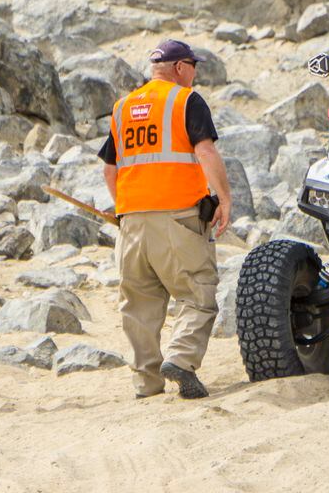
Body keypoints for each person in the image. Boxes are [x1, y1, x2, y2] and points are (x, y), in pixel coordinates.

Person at [99, 39, 232, 400]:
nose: (195, 73)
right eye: (193, 65)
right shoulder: (185, 100)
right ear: (179, 67)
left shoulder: (122, 107)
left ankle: (146, 382)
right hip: (178, 219)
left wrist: (127, 208)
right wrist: (223, 198)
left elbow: (110, 170)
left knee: (139, 305)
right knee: (198, 292)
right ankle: (181, 358)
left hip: (131, 223)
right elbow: (205, 150)